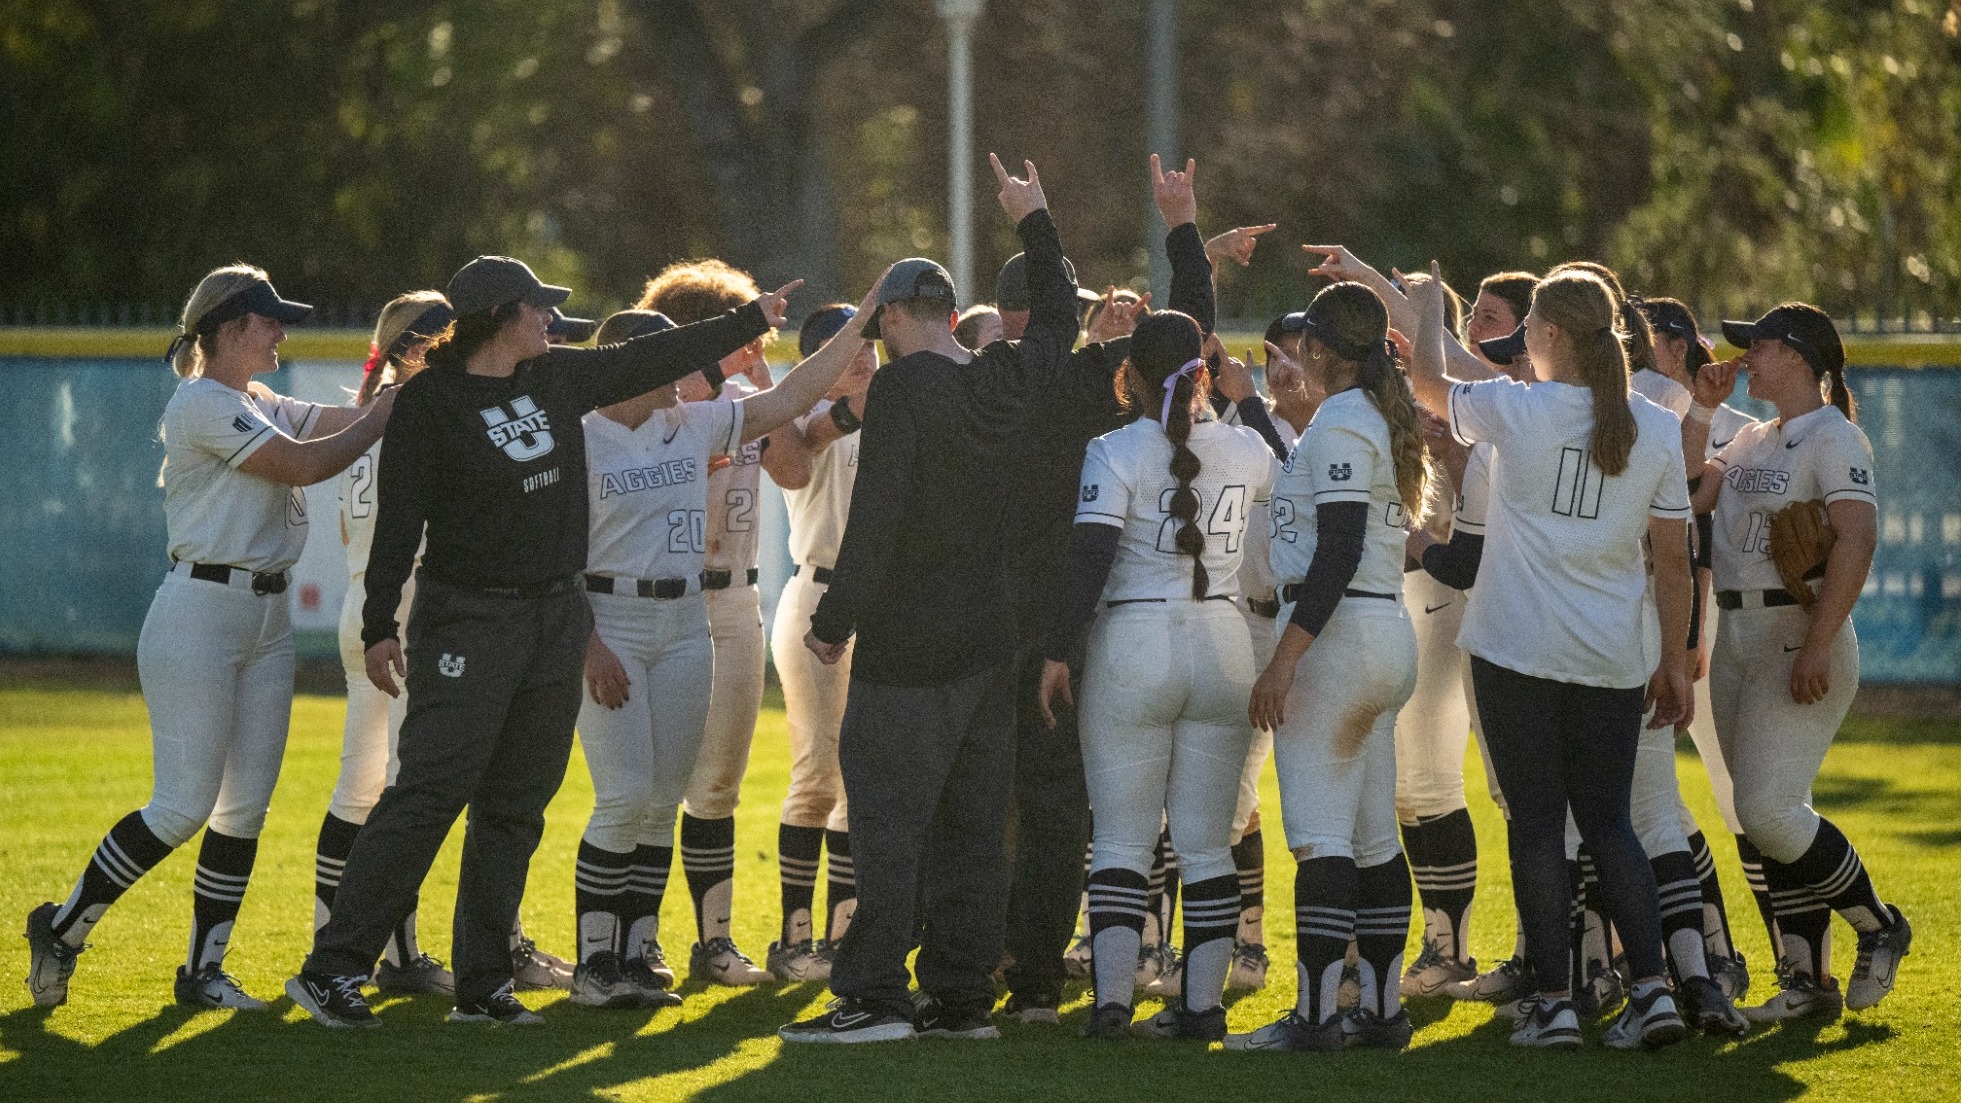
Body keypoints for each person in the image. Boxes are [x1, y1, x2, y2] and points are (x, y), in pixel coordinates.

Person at [287, 255, 795, 1029]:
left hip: (553, 619)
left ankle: (483, 985)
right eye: (538, 309)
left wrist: (750, 317)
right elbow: (399, 524)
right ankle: (333, 968)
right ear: (500, 317)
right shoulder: (431, 401)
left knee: (516, 805)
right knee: (429, 793)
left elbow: (648, 356)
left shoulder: (555, 378)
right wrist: (378, 625)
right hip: (469, 620)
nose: (552, 322)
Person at [25, 266, 394, 1009]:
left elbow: (326, 421)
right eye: (269, 321)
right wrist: (387, 411)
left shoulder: (254, 396)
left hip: (265, 615)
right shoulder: (200, 401)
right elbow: (305, 461)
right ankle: (62, 927)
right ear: (228, 329)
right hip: (199, 610)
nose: (281, 332)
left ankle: (202, 969)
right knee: (183, 804)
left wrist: (398, 390)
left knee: (244, 807)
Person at [777, 154, 1078, 1044]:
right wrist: (1035, 217)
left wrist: (834, 621)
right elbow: (1058, 317)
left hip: (910, 642)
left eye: (879, 321)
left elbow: (879, 517)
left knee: (889, 827)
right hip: (993, 637)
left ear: (896, 317)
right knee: (974, 829)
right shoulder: (1004, 374)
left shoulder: (904, 387)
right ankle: (957, 999)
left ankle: (871, 996)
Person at [1400, 264, 1695, 1051]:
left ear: (1553, 335)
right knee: (1609, 824)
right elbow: (1671, 562)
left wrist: (1428, 303)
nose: (1519, 337)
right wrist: (1673, 659)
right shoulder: (1656, 426)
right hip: (1609, 655)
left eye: (1528, 324)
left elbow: (1426, 380)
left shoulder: (1517, 409)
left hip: (1514, 649)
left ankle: (1556, 1004)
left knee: (1536, 826)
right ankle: (1652, 993)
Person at [570, 294, 872, 1009]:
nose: (680, 375)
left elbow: (795, 395)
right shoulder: (581, 433)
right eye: (666, 362)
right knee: (622, 798)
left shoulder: (696, 421)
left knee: (662, 800)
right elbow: (553, 552)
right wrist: (587, 642)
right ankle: (594, 961)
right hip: (610, 615)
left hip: (686, 616)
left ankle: (637, 951)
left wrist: (862, 324)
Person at [1036, 312, 1274, 1042]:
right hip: (1225, 641)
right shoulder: (1244, 445)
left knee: (1120, 839)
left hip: (1134, 641)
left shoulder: (1112, 448)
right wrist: (1250, 400)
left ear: (1127, 375)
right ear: (1203, 374)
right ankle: (1200, 1006)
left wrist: (1054, 649)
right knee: (1205, 843)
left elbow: (1088, 559)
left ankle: (1112, 1004)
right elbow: (1293, 478)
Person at [1682, 304, 1910, 1021]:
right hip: (1736, 638)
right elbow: (1690, 495)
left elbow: (1857, 538)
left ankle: (1877, 921)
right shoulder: (1750, 436)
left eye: (1759, 345)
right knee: (1764, 818)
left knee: (1767, 809)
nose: (1744, 354)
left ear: (1801, 356)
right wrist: (1699, 408)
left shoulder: (1833, 437)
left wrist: (1817, 640)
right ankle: (1805, 982)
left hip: (1795, 632)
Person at [1225, 281, 1431, 1053]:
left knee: (1319, 838)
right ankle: (1380, 1012)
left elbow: (1337, 549)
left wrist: (1283, 660)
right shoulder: (1367, 412)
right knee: (1374, 837)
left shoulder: (1343, 418)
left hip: (1339, 636)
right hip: (1378, 631)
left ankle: (1313, 1017)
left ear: (1317, 346)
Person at [637, 259, 811, 987]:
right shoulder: (647, 397)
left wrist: (763, 384)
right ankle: (638, 939)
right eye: (741, 329)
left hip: (735, 596)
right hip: (661, 597)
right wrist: (720, 374)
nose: (755, 344)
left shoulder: (745, 394)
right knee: (648, 784)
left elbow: (794, 469)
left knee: (718, 785)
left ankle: (714, 942)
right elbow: (688, 452)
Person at [313, 291, 457, 999]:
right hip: (402, 615)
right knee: (404, 791)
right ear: (419, 346)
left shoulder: (367, 413)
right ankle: (396, 954)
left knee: (359, 786)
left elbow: (349, 530)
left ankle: (329, 937)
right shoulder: (424, 411)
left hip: (358, 604)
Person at [765, 304, 878, 983]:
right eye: (844, 350)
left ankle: (840, 935)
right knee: (816, 774)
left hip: (879, 602)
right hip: (817, 594)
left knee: (858, 780)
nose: (861, 357)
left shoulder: (885, 405)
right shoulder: (811, 419)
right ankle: (792, 936)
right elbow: (806, 440)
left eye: (866, 345)